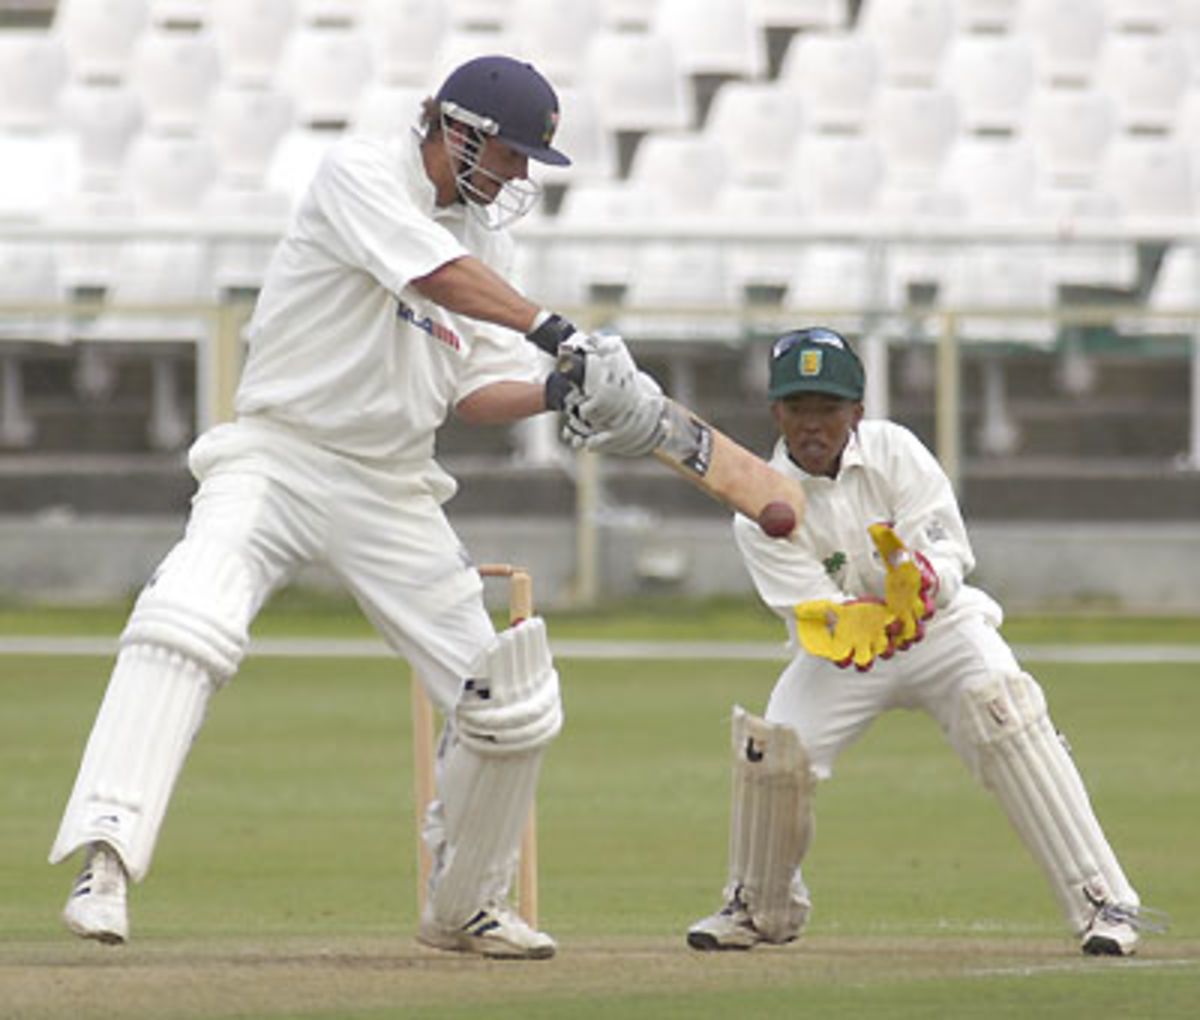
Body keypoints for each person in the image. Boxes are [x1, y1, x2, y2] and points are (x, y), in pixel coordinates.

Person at [49, 54, 663, 960]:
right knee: (186, 619)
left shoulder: (488, 247)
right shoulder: (362, 175)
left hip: (391, 485)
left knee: (510, 700)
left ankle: (464, 904)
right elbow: (436, 277)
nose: (520, 177)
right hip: (279, 455)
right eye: (514, 156)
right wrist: (559, 334)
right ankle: (104, 859)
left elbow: (476, 391)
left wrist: (561, 392)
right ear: (460, 132)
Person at [685, 326, 1158, 957]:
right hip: (849, 650)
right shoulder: (760, 505)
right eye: (799, 408)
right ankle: (759, 907)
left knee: (1006, 712)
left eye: (828, 408)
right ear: (777, 411)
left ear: (856, 411)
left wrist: (922, 582)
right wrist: (857, 616)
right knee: (775, 749)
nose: (813, 424)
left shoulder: (895, 451)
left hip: (941, 630)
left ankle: (1105, 902)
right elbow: (813, 613)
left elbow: (949, 551)